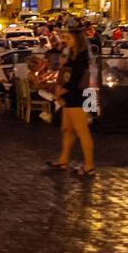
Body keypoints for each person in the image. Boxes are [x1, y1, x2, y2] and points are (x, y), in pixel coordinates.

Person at [47, 29, 95, 177]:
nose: (65, 40)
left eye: (69, 38)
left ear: (77, 40)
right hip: (70, 96)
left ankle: (89, 166)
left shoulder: (81, 57)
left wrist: (62, 91)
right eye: (65, 37)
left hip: (76, 96)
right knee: (67, 129)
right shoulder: (72, 55)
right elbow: (65, 74)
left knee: (82, 132)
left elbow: (75, 79)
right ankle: (63, 160)